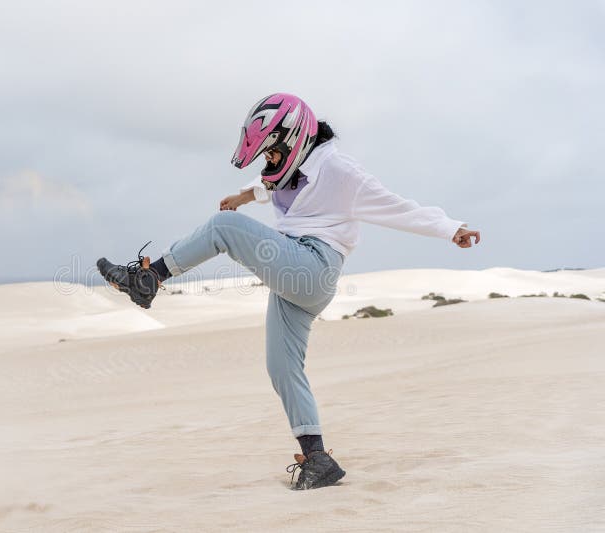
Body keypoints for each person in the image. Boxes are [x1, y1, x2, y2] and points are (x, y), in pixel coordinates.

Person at [96, 93, 481, 490]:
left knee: (223, 228)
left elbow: (395, 206)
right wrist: (244, 194)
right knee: (281, 366)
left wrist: (450, 228)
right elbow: (271, 180)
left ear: (294, 140)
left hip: (313, 266)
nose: (268, 160)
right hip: (296, 273)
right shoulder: (291, 164)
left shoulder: (340, 170)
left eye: (272, 152)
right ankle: (317, 459)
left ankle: (148, 279)